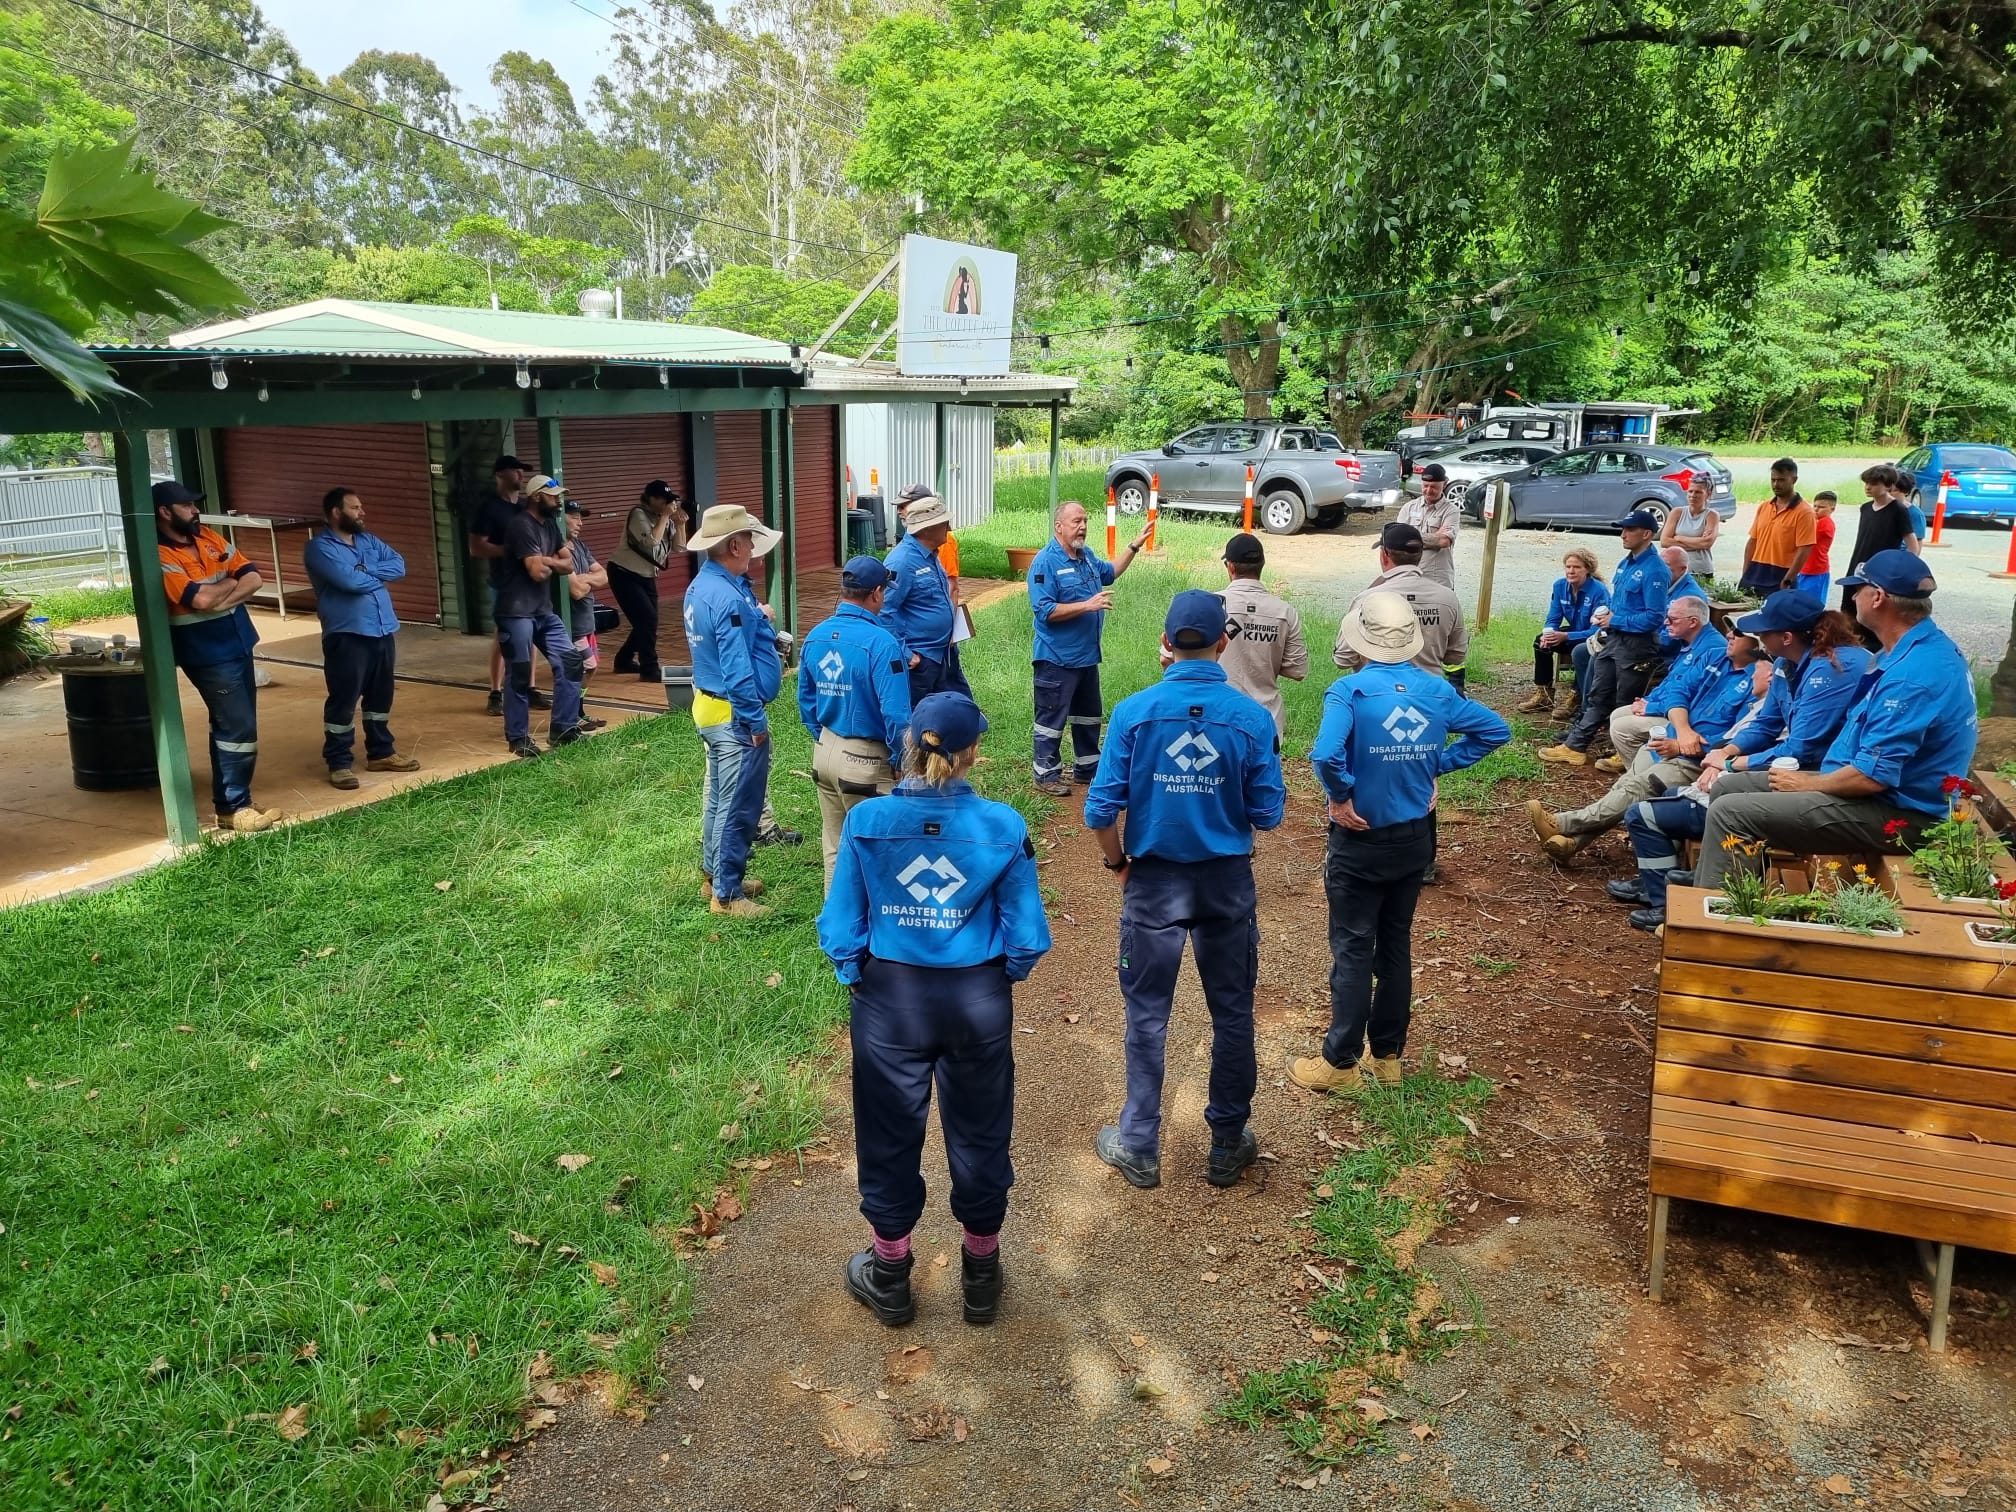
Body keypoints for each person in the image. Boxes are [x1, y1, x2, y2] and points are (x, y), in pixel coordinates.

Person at [817, 693, 1051, 1329]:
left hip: (890, 999)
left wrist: (853, 972)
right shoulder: (1003, 826)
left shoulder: (867, 825)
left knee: (889, 1132)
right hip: (975, 998)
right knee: (980, 1132)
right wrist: (1005, 974)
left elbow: (841, 923)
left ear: (912, 746)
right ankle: (981, 1274)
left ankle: (891, 1274)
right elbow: (1028, 934)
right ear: (973, 752)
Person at [1084, 590, 1286, 1191]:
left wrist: (1119, 865)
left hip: (1152, 883)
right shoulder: (1251, 718)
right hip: (1225, 883)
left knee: (1147, 1016)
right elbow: (1269, 814)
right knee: (1232, 1013)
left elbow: (1099, 810)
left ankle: (1140, 1143)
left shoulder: (1134, 712)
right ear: (1225, 642)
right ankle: (1227, 1143)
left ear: (1167, 644)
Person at [1290, 593, 1509, 1091]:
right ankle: (1387, 1060)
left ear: (1360, 638)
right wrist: (1437, 765)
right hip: (1416, 840)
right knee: (1395, 945)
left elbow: (1325, 753)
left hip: (1359, 838)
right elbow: (1494, 731)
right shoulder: (1436, 691)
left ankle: (1340, 1063)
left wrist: (1341, 795)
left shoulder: (1349, 691)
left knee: (1352, 947)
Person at [1696, 550, 1976, 892]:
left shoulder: (1911, 676)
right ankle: (1728, 886)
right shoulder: (1905, 649)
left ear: (1879, 598)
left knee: (1732, 813)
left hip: (1899, 813)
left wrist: (1807, 784)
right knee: (1727, 786)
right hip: (1861, 787)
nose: (1853, 596)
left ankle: (1714, 925)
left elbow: (1872, 778)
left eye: (1858, 589)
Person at [1525, 599, 1752, 860]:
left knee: (1636, 787)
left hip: (1694, 760)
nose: (1729, 635)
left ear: (1757, 644)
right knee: (1626, 785)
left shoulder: (1759, 682)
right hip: (1671, 741)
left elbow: (1743, 738)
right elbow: (1679, 690)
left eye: (1739, 633)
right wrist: (1682, 730)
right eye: (1731, 630)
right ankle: (1572, 844)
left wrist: (1682, 744)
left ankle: (1563, 824)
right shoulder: (1719, 659)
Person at [152, 480, 282, 832]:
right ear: (165, 512)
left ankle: (234, 802)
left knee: (233, 726)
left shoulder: (207, 536)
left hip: (239, 642)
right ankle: (234, 807)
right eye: (187, 505)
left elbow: (254, 577)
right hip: (207, 653)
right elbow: (201, 601)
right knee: (236, 726)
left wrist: (219, 591)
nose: (195, 510)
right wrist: (228, 586)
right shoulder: (161, 555)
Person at [685, 504, 785, 917]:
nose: (753, 549)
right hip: (733, 714)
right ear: (734, 544)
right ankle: (727, 896)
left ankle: (715, 874)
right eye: (749, 540)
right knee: (737, 805)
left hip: (709, 706)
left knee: (718, 803)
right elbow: (736, 667)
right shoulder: (725, 596)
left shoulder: (703, 586)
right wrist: (755, 721)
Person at [798, 556, 912, 888]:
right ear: (877, 593)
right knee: (881, 850)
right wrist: (901, 760)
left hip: (825, 753)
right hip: (865, 761)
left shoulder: (816, 636)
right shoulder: (882, 644)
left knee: (834, 847)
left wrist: (823, 736)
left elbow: (806, 700)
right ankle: (879, 930)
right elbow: (896, 714)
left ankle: (836, 927)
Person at [1026, 499, 1149, 796]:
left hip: (1086, 657)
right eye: (1075, 522)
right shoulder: (1045, 562)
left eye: (1085, 521)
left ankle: (1087, 768)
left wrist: (1133, 546)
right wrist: (1087, 605)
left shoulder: (1086, 556)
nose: (1082, 527)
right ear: (1059, 527)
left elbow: (1109, 573)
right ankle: (1046, 774)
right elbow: (1044, 611)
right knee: (1051, 720)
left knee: (1088, 716)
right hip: (1056, 658)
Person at [303, 486, 420, 790]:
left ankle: (381, 752)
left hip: (382, 629)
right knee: (344, 699)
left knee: (380, 696)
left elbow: (400, 565)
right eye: (355, 508)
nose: (362, 512)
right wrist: (371, 576)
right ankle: (339, 762)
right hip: (347, 633)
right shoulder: (320, 548)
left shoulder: (368, 540)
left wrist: (366, 567)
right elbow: (349, 582)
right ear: (336, 513)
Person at [1541, 510, 1669, 766]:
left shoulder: (1655, 570)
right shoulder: (1626, 563)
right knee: (1599, 694)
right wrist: (1608, 617)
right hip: (1614, 640)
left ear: (1646, 534)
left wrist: (1616, 620)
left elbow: (1655, 617)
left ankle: (1622, 754)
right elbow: (1623, 605)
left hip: (1637, 646)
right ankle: (1576, 747)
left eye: (1629, 530)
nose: (1622, 534)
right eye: (1622, 528)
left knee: (1624, 702)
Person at [494, 475, 587, 760]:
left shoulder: (549, 525)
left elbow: (567, 563)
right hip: (515, 612)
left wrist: (546, 560)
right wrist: (549, 562)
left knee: (571, 661)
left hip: (542, 611)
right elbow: (537, 572)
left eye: (559, 495)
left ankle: (563, 728)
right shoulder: (521, 525)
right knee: (519, 673)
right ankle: (519, 737)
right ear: (536, 497)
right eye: (553, 495)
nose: (558, 500)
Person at [1333, 522, 1468, 685]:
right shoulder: (1448, 598)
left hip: (1378, 695)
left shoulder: (1367, 598)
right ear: (1420, 555)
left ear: (1384, 555)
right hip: (1430, 696)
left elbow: (1343, 659)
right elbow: (1456, 656)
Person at [470, 455, 546, 716]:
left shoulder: (525, 507)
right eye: (515, 471)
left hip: (529, 581)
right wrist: (511, 551)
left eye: (521, 471)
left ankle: (531, 687)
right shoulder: (489, 508)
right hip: (503, 581)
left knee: (532, 632)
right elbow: (477, 546)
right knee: (504, 636)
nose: (520, 476)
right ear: (500, 474)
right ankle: (495, 691)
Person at [1213, 532, 1308, 735]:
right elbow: (1297, 670)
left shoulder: (1211, 605)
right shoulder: (1285, 611)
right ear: (1262, 566)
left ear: (1230, 567)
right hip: (1267, 721)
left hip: (1220, 717)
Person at [881, 494, 970, 703]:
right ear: (927, 528)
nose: (949, 528)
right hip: (921, 660)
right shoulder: (901, 562)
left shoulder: (931, 554)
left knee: (952, 715)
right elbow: (884, 610)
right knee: (919, 723)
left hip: (943, 653)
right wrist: (906, 653)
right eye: (944, 523)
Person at [608, 480, 686, 683]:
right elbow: (651, 543)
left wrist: (680, 524)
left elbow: (679, 548)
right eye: (665, 501)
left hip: (646, 576)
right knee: (647, 619)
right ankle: (649, 668)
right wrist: (666, 517)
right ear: (651, 499)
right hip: (624, 573)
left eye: (671, 501)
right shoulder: (638, 514)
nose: (669, 505)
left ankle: (623, 660)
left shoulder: (665, 519)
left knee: (648, 621)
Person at [1518, 547, 1608, 717]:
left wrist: (1566, 636)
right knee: (1540, 642)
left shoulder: (1598, 591)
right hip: (1573, 632)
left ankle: (1576, 696)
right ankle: (1544, 696)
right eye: (1568, 567)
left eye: (1576, 567)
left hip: (1593, 637)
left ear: (1587, 569)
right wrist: (1549, 633)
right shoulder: (1560, 586)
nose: (1571, 571)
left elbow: (1598, 629)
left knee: (1581, 651)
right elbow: (1553, 617)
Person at [1842, 465, 1919, 614]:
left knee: (1873, 613)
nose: (1868, 487)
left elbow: (1912, 544)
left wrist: (1897, 570)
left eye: (1874, 484)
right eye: (1866, 483)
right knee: (1849, 610)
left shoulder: (1898, 509)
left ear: (1889, 486)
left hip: (1880, 572)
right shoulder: (1865, 508)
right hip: (1857, 566)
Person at [1738, 457, 1815, 596]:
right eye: (1773, 480)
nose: (1776, 484)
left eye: (1781, 480)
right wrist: (1746, 571)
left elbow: (1804, 549)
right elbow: (1753, 540)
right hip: (1755, 571)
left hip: (1781, 574)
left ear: (1794, 479)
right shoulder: (1764, 506)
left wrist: (1789, 578)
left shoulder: (1804, 512)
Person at [563, 502, 610, 726]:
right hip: (572, 625)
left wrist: (584, 578)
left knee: (591, 668)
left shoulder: (580, 546)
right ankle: (570, 715)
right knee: (585, 666)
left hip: (586, 622)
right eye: (574, 517)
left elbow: (604, 575)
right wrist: (588, 580)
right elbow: (576, 591)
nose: (580, 523)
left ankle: (578, 711)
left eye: (581, 518)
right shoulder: (558, 550)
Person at [1396, 461, 1460, 589]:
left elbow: (1443, 541)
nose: (1429, 491)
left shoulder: (1451, 511)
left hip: (1438, 580)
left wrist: (1411, 539)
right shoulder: (1408, 508)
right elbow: (1397, 540)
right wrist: (1434, 536)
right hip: (1410, 577)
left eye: (1434, 487)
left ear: (1445, 484)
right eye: (1425, 486)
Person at [1661, 473, 1720, 581]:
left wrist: (1679, 538)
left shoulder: (1712, 516)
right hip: (1675, 570)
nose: (1693, 495)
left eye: (1698, 492)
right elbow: (1664, 542)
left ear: (1708, 494)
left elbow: (1706, 543)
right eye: (1690, 491)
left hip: (1701, 571)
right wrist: (1697, 542)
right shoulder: (1677, 513)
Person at [1800, 492, 1838, 600]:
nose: (1816, 509)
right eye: (1815, 506)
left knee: (1811, 602)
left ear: (1832, 509)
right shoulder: (1817, 521)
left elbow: (1805, 536)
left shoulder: (1825, 522)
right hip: (1806, 567)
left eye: (1821, 507)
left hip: (1816, 569)